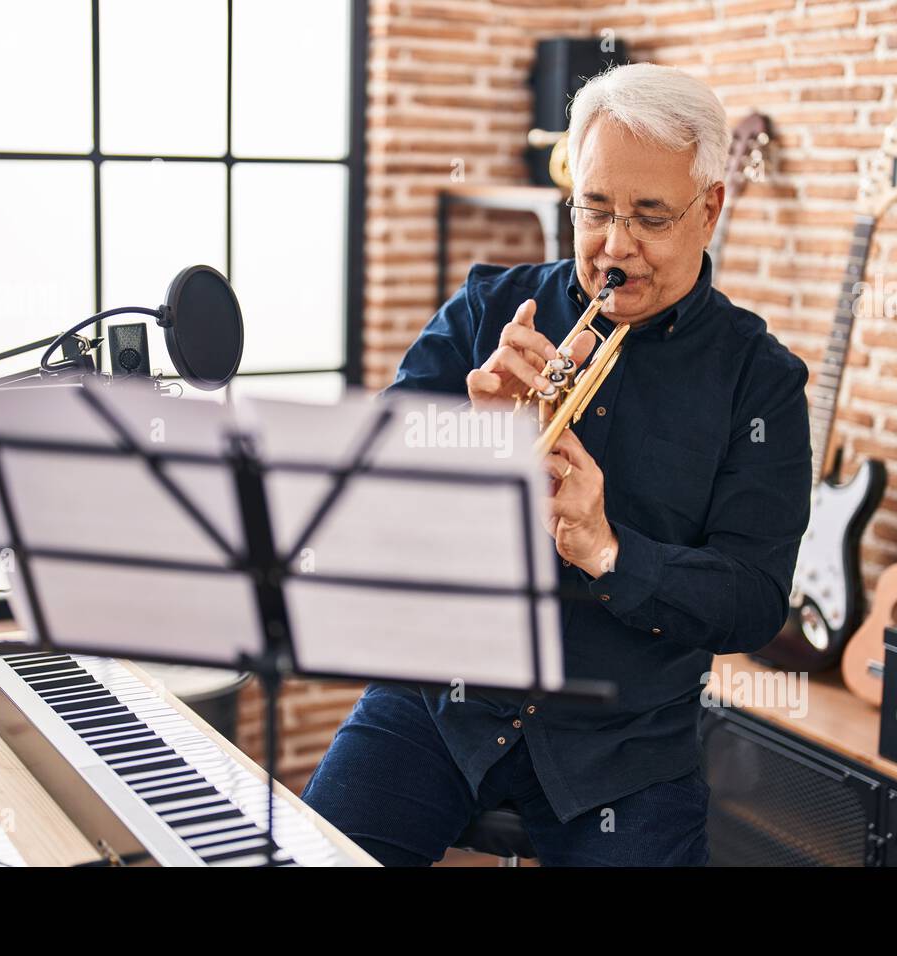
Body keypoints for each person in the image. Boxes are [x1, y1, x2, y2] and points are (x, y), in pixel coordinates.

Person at [302, 62, 812, 866]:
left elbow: (753, 604)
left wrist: (607, 549)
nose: (615, 247)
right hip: (444, 703)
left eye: (650, 217)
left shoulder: (763, 381)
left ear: (709, 210)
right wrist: (473, 441)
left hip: (627, 745)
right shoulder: (485, 313)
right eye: (597, 210)